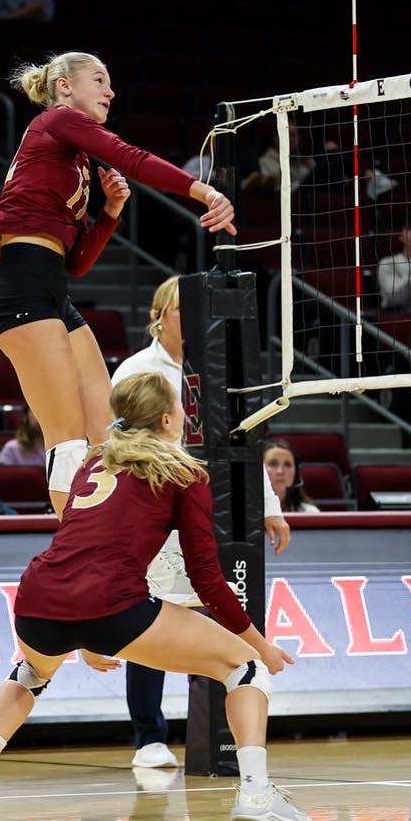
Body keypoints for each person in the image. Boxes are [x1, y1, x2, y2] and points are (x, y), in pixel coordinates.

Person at [0, 372, 306, 821]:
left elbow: (85, 549)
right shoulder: (182, 470)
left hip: (38, 599)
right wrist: (261, 644)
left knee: (31, 671)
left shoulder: (94, 462)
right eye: (182, 411)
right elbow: (206, 577)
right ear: (168, 418)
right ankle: (256, 795)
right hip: (109, 604)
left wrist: (86, 639)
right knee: (245, 666)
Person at [0, 51, 235, 518]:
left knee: (105, 436)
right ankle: (74, 555)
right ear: (65, 87)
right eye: (100, 80)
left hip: (53, 292)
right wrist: (202, 190)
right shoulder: (58, 120)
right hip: (21, 291)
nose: (111, 92)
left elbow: (78, 263)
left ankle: (107, 536)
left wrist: (109, 213)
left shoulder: (74, 156)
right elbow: (132, 156)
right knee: (67, 438)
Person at [109, 275, 290, 770]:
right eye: (179, 311)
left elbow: (245, 439)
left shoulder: (218, 369)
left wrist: (269, 505)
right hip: (150, 510)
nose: (189, 321)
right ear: (159, 315)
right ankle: (148, 736)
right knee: (148, 615)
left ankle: (229, 745)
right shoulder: (136, 371)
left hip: (209, 503)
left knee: (209, 611)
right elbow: (110, 446)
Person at [263, 440, 318, 514]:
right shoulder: (247, 513)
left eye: (287, 465)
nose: (280, 471)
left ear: (296, 473)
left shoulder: (310, 513)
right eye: (273, 464)